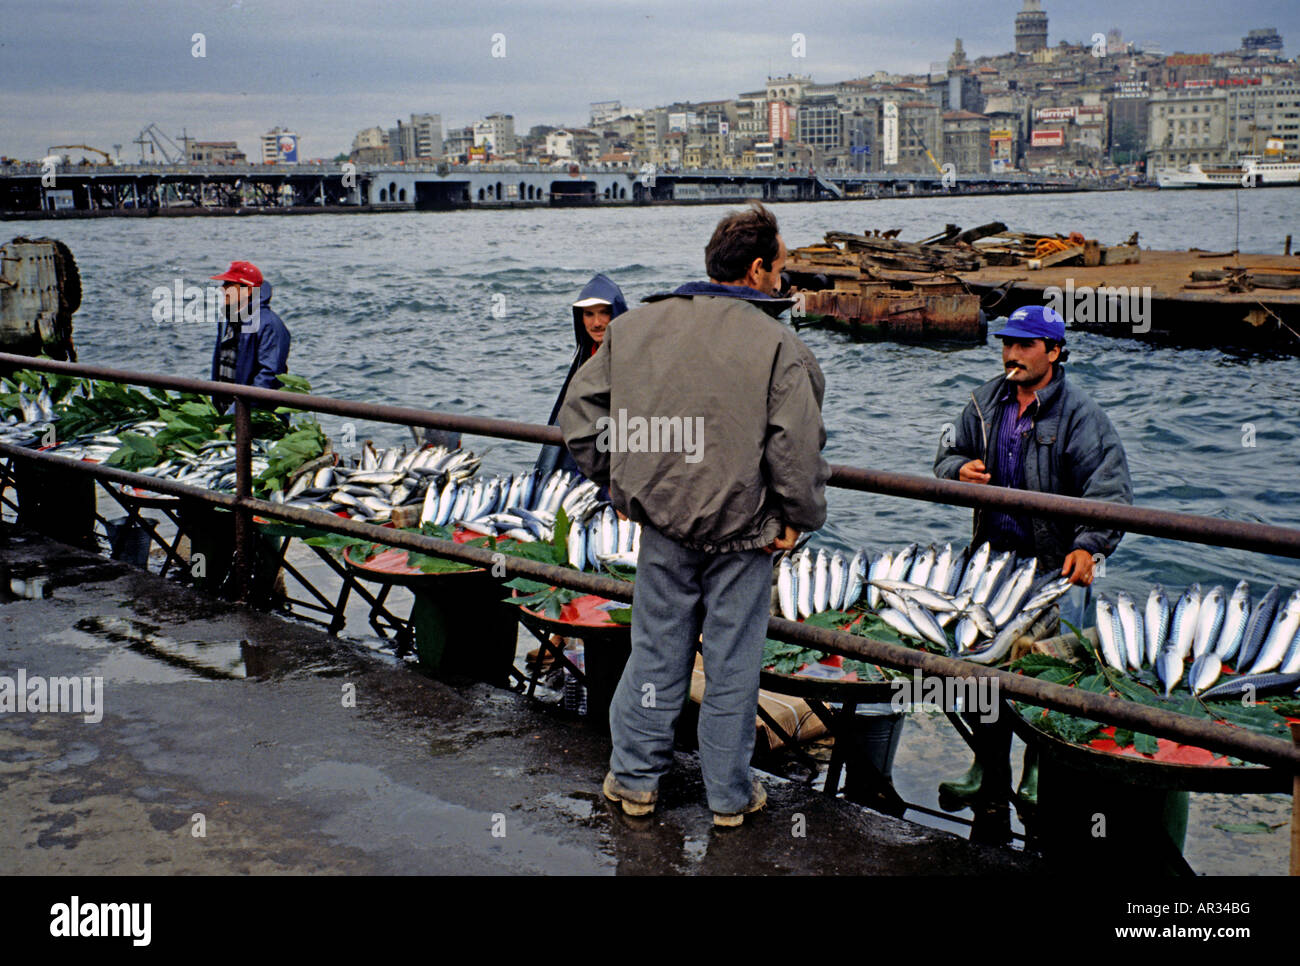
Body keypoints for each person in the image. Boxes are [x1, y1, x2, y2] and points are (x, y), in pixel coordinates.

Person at [559, 202, 830, 827]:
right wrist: (799, 517)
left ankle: (634, 782)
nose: (783, 279)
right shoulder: (781, 346)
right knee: (733, 667)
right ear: (758, 269)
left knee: (654, 655)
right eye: (781, 267)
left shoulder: (638, 327)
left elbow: (580, 418)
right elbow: (796, 451)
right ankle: (730, 798)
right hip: (744, 538)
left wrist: (621, 485)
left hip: (664, 528)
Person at [933, 303, 1132, 809]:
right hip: (993, 562)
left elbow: (1109, 491)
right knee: (985, 668)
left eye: (1024, 345)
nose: (1012, 354)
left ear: (1054, 351)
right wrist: (959, 470)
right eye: (1007, 344)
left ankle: (1038, 771)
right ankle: (987, 766)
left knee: (1050, 675)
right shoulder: (982, 402)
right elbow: (944, 455)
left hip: (1056, 566)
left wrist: (1090, 546)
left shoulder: (1083, 415)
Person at [536, 274, 627, 480]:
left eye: (604, 313)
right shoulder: (584, 358)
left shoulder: (630, 358)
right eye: (588, 314)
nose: (596, 323)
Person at [209, 260, 290, 413]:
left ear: (248, 291)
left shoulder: (269, 324)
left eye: (229, 284)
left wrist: (237, 412)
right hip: (228, 412)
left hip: (257, 417)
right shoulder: (226, 320)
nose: (222, 289)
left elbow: (269, 376)